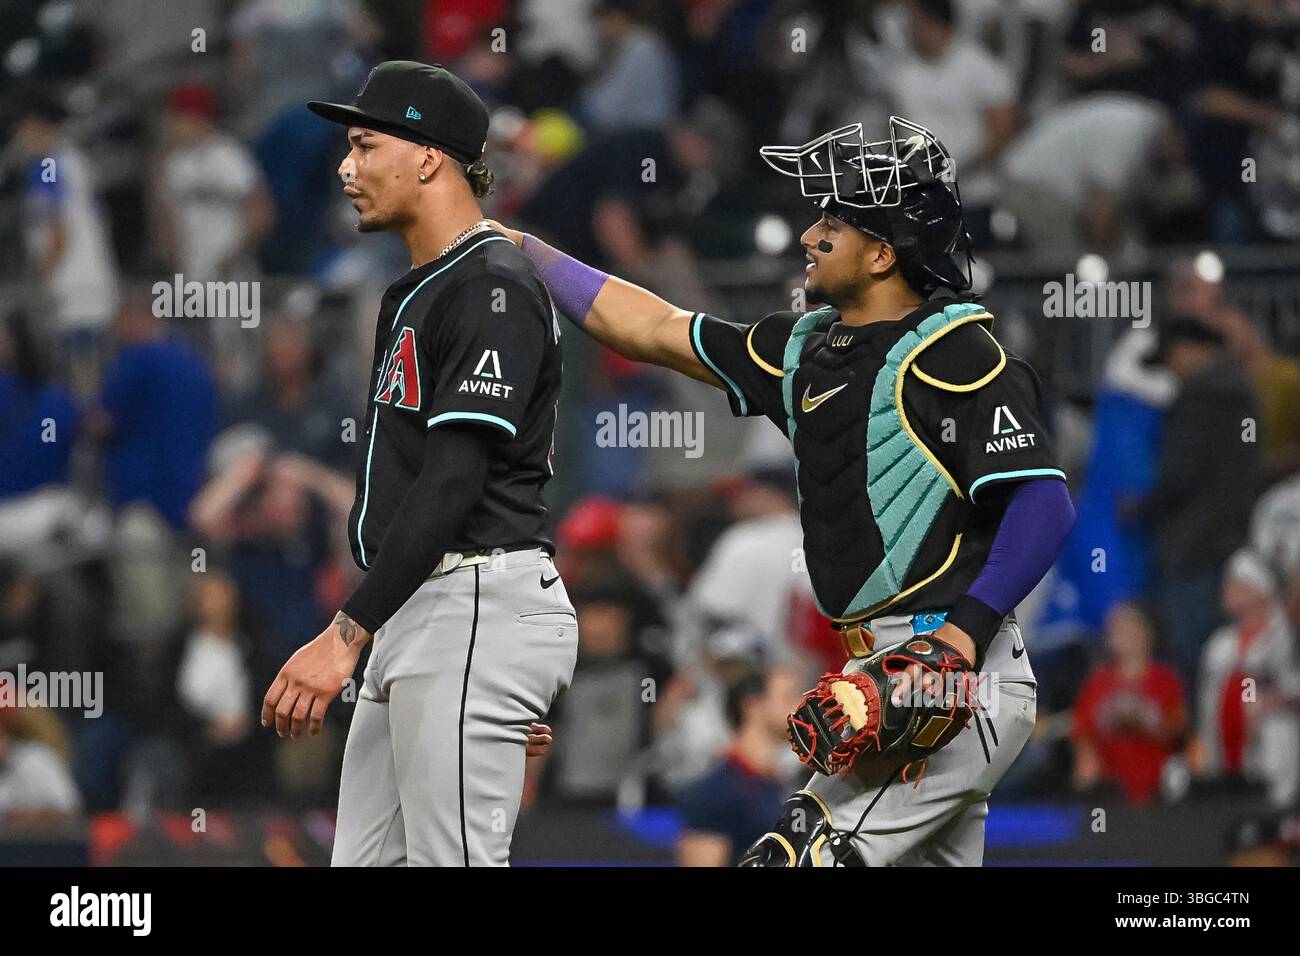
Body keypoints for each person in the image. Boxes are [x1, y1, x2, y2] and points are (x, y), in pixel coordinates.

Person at [495, 114, 1075, 866]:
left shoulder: (958, 351)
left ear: (880, 252)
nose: (809, 235)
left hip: (959, 677)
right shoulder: (802, 348)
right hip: (876, 677)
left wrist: (958, 641)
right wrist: (526, 250)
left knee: (794, 856)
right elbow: (656, 328)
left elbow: (1042, 505)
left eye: (832, 221)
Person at [261, 62, 576, 867]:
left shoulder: (492, 287)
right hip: (429, 611)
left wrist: (346, 633)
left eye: (365, 145)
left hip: (474, 595)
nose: (346, 167)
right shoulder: (421, 289)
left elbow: (454, 478)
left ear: (429, 157)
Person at [1135, 316, 1263, 695]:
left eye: (1172, 358)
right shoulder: (1243, 392)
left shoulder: (1199, 396)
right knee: (1222, 658)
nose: (1171, 372)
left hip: (1191, 548)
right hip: (1230, 542)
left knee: (1191, 657)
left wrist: (1141, 506)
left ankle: (1195, 747)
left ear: (1191, 349)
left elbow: (1180, 474)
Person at [676, 667, 803, 867]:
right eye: (789, 697)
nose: (799, 707)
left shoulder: (782, 785)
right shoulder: (715, 793)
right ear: (752, 706)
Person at [1071, 602, 1186, 805]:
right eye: (1117, 630)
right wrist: (1087, 775)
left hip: (1157, 787)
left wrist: (1144, 723)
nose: (1124, 637)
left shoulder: (1165, 680)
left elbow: (1179, 732)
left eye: (1130, 629)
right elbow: (1082, 734)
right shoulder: (1098, 682)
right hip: (1111, 789)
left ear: (1146, 634)